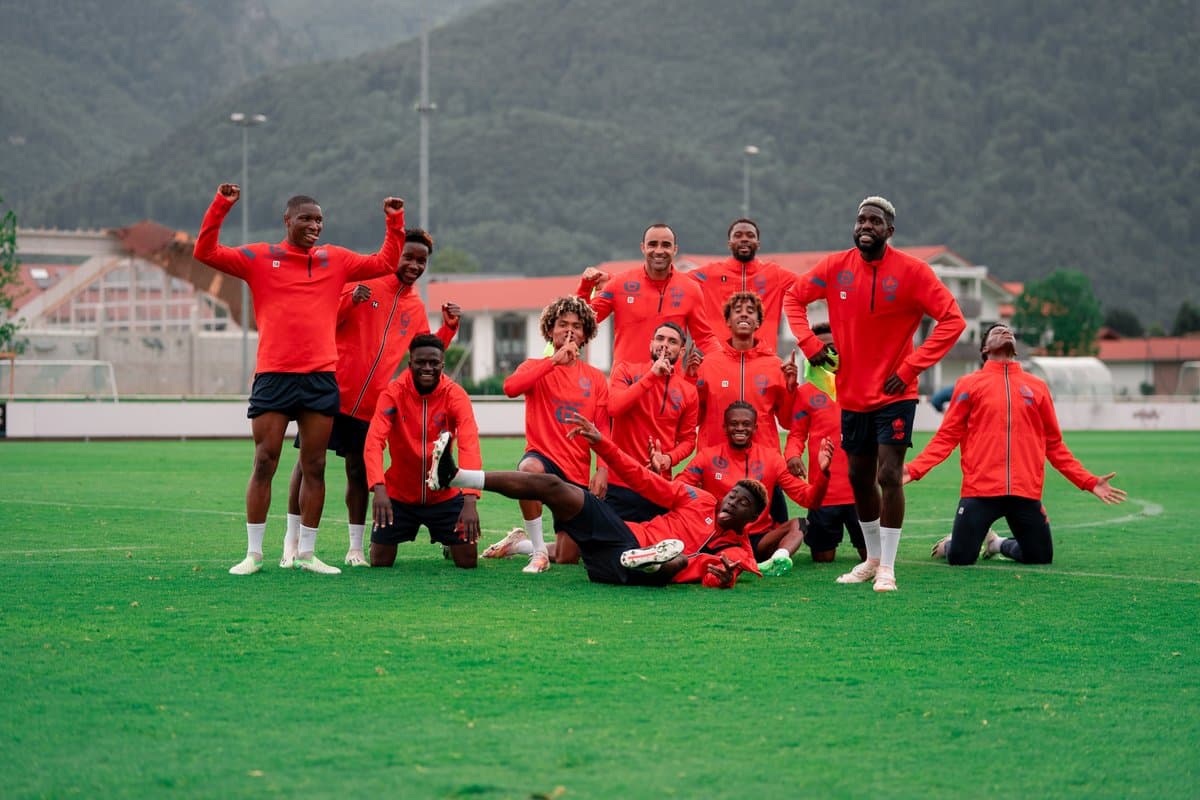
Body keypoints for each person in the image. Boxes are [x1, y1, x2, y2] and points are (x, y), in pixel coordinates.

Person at [193, 183, 405, 575]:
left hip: (320, 377)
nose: (314, 226)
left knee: (316, 466)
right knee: (265, 461)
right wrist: (222, 205)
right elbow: (204, 252)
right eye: (306, 218)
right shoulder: (260, 256)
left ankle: (307, 553)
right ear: (287, 220)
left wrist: (394, 221)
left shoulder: (336, 260)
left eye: (320, 220)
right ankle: (254, 553)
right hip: (274, 375)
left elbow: (385, 263)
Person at [785, 195, 966, 591]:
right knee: (858, 476)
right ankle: (872, 559)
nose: (866, 226)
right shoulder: (835, 267)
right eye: (861, 220)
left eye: (875, 221)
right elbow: (793, 298)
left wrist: (910, 368)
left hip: (896, 393)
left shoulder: (913, 272)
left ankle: (889, 568)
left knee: (888, 474)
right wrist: (810, 346)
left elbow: (953, 320)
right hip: (852, 395)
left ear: (890, 231)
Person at [282, 229, 460, 569]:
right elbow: (322, 320)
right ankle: (292, 543)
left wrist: (448, 329)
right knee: (307, 465)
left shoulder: (416, 307)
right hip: (330, 391)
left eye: (421, 261)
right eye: (408, 257)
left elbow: (425, 358)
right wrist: (351, 300)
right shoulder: (364, 281)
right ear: (394, 254)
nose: (414, 265)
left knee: (358, 473)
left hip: (369, 405)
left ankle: (354, 548)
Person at [431, 414, 766, 588]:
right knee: (552, 484)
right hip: (621, 534)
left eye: (743, 503)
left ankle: (642, 561)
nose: (733, 502)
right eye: (734, 494)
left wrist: (722, 579)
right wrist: (602, 444)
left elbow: (715, 574)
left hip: (623, 572)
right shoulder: (699, 499)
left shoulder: (737, 550)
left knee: (675, 563)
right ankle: (456, 476)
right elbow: (641, 477)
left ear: (750, 518)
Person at [904, 323, 1127, 565]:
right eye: (996, 331)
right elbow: (946, 437)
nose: (1004, 331)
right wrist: (914, 469)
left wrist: (1089, 481)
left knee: (1040, 557)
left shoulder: (1038, 387)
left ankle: (996, 544)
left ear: (1016, 348)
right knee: (960, 558)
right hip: (980, 492)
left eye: (1007, 331)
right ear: (985, 349)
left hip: (1024, 493)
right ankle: (951, 545)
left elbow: (1054, 445)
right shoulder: (968, 385)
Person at [493, 296, 610, 574]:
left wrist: (603, 469)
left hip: (575, 472)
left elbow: (603, 427)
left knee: (569, 555)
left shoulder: (595, 378)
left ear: (586, 334)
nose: (569, 331)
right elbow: (510, 388)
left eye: (577, 326)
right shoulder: (535, 367)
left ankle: (519, 544)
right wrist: (553, 362)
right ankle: (537, 553)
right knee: (528, 469)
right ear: (550, 330)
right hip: (543, 459)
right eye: (562, 324)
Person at [364, 335, 482, 569]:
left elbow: (469, 444)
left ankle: (449, 542)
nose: (427, 368)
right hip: (399, 496)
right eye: (420, 362)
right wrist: (378, 487)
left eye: (433, 363)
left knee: (468, 562)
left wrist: (470, 499)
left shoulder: (455, 395)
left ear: (442, 365)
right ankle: (376, 540)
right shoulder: (393, 393)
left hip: (444, 495)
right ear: (410, 364)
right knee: (380, 562)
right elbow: (374, 441)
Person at [678, 401, 834, 577]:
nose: (740, 428)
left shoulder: (772, 459)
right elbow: (678, 488)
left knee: (801, 524)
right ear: (725, 427)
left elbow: (808, 499)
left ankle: (776, 560)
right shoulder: (707, 457)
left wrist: (823, 474)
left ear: (755, 428)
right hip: (721, 538)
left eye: (746, 424)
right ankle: (736, 561)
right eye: (734, 424)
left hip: (760, 539)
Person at [575, 223, 719, 364]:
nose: (659, 250)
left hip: (669, 383)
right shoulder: (619, 284)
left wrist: (727, 365)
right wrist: (585, 288)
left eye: (666, 245)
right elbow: (582, 322)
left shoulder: (690, 289)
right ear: (643, 248)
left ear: (675, 250)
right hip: (626, 383)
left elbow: (704, 338)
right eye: (652, 244)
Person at [601, 322, 699, 522]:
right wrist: (652, 375)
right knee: (609, 550)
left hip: (658, 484)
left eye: (672, 341)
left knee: (657, 550)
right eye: (660, 339)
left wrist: (668, 459)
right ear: (650, 344)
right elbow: (614, 408)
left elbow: (689, 440)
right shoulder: (625, 371)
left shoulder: (688, 391)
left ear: (681, 351)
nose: (664, 345)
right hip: (619, 482)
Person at [784, 322, 865, 564]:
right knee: (822, 559)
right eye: (824, 348)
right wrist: (792, 456)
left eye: (835, 347)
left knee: (872, 556)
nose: (831, 353)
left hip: (862, 493)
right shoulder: (806, 392)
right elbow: (797, 434)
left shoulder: (862, 386)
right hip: (824, 492)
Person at [691, 291, 796, 452]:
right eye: (738, 310)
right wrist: (690, 381)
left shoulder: (775, 366)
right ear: (728, 321)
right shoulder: (709, 364)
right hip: (715, 461)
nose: (744, 315)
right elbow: (693, 419)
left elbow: (787, 422)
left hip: (762, 462)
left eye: (750, 311)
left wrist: (790, 390)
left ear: (758, 322)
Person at [688, 218, 796, 354]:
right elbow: (674, 282)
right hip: (719, 361)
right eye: (738, 235)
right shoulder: (709, 275)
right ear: (729, 243)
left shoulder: (775, 275)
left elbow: (809, 286)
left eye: (750, 236)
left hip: (762, 361)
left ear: (758, 244)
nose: (744, 239)